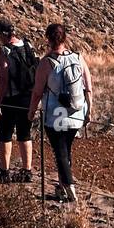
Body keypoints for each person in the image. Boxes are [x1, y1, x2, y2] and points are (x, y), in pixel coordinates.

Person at [28, 22, 93, 203]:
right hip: (76, 112)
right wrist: (89, 111)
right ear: (65, 38)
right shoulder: (78, 58)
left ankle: (70, 188)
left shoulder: (46, 63)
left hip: (55, 115)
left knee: (60, 152)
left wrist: (31, 112)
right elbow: (88, 87)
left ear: (47, 39)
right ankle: (62, 187)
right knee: (66, 150)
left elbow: (37, 92)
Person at [0, 19, 37, 183]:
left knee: (5, 134)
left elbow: (3, 78)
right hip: (28, 97)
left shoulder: (4, 50)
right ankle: (27, 170)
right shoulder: (28, 45)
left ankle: (4, 170)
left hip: (10, 97)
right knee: (24, 133)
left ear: (3, 34)